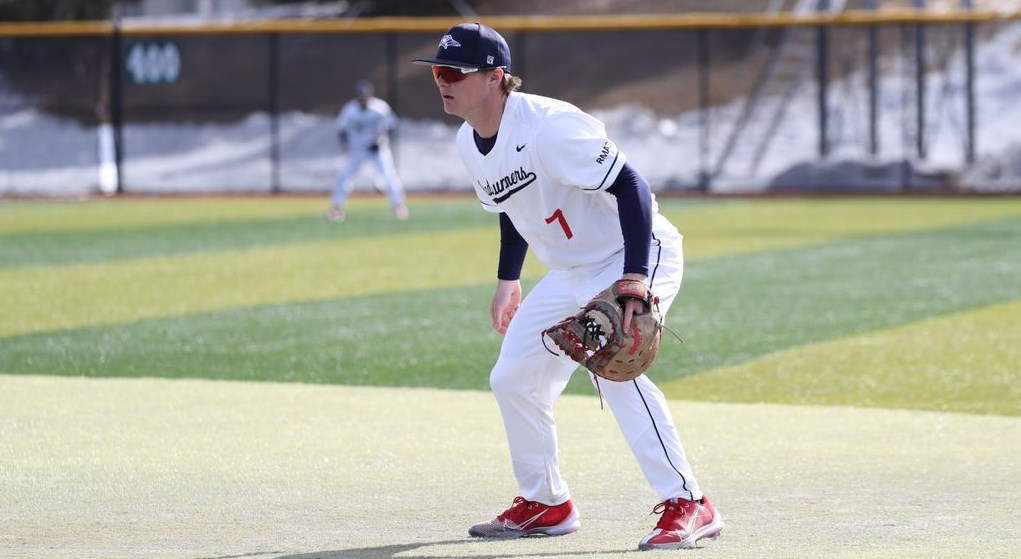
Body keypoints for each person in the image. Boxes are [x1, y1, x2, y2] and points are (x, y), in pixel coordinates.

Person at [412, 22, 724, 551]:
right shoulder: (470, 140)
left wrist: (632, 278)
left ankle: (689, 501)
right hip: (573, 270)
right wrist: (507, 281)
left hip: (636, 251)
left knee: (615, 368)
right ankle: (548, 503)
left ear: (495, 78)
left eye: (453, 73)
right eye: (437, 72)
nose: (441, 82)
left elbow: (632, 186)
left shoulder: (550, 126)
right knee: (513, 378)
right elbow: (511, 205)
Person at [328, 80, 408, 221]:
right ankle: (336, 209)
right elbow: (341, 129)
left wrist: (382, 140)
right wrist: (345, 146)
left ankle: (398, 207)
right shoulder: (350, 110)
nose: (363, 99)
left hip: (377, 149)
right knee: (343, 177)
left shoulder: (380, 107)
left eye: (365, 96)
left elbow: (392, 125)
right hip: (357, 149)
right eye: (360, 97)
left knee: (390, 177)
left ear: (370, 95)